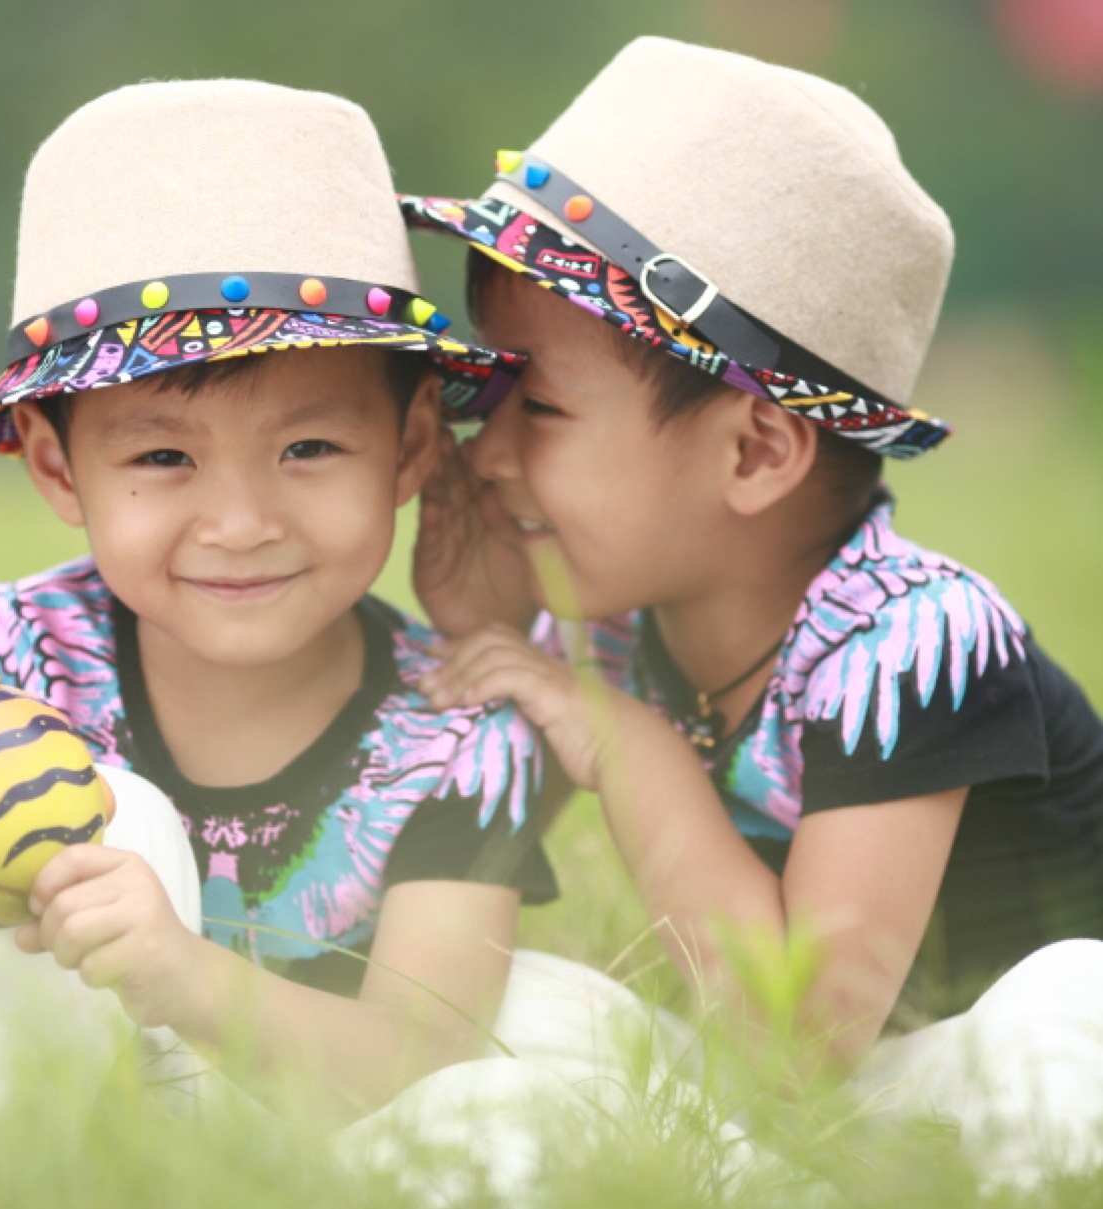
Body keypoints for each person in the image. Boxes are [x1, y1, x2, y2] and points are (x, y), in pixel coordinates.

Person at [402, 37, 1103, 1181]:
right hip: (815, 1108)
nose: (485, 455)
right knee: (518, 1000)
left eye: (542, 410)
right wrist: (472, 636)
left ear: (757, 451)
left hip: (968, 1067)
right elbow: (409, 861)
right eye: (490, 395)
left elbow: (804, 1038)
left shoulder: (914, 640)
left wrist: (625, 745)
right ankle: (755, 1177)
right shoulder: (617, 625)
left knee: (1077, 1009)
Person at [0, 77, 556, 1151]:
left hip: (325, 1135)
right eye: (164, 457)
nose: (240, 523)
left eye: (309, 449)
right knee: (105, 816)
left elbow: (428, 1059)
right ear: (57, 466)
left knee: (540, 1067)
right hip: (67, 1123)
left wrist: (187, 979)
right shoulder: (21, 664)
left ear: (414, 445)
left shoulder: (457, 731)